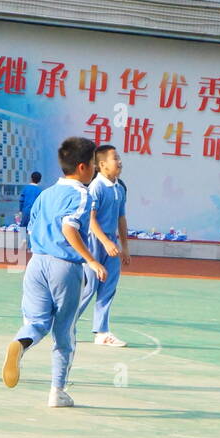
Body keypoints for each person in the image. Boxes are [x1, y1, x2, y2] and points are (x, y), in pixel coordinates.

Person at [0, 137, 104, 408]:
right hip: (64, 266)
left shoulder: (46, 194)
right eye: (94, 164)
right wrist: (91, 261)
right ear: (82, 167)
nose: (95, 169)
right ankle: (57, 391)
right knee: (64, 331)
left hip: (36, 263)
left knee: (36, 322)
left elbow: (31, 227)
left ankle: (20, 344)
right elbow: (69, 228)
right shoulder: (82, 194)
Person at [77, 145, 130, 347]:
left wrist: (124, 246)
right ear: (102, 165)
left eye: (119, 157)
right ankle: (65, 324)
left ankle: (102, 332)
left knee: (109, 287)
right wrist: (105, 242)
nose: (119, 161)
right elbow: (91, 220)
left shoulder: (119, 188)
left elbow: (121, 218)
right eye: (115, 158)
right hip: (94, 242)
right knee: (90, 287)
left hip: (111, 244)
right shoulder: (96, 187)